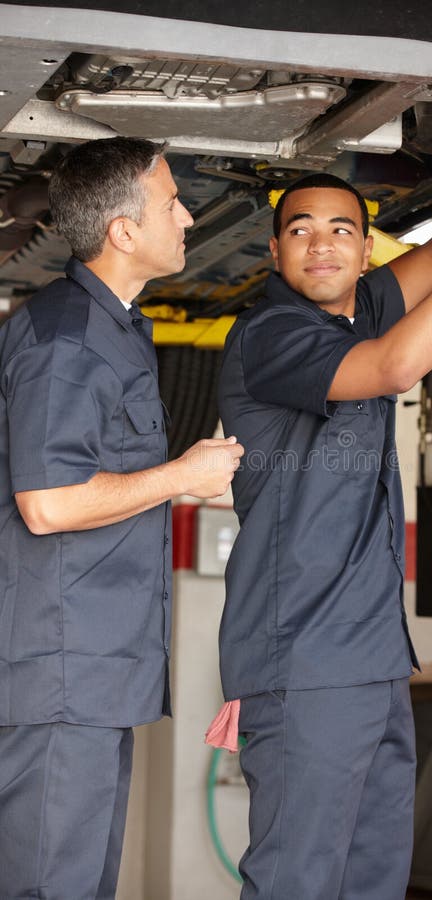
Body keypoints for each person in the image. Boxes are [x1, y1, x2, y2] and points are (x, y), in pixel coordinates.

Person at [212, 118, 432, 899]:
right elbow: (399, 363)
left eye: (342, 229)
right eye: (299, 231)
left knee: (373, 880)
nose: (322, 244)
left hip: (371, 663)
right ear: (275, 254)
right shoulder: (271, 334)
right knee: (298, 883)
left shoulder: (359, 307)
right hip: (303, 664)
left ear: (367, 250)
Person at [0, 136, 243, 900]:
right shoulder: (66, 339)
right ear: (123, 230)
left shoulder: (118, 332)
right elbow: (47, 504)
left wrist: (177, 480)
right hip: (61, 680)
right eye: (172, 200)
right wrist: (178, 476)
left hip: (95, 677)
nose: (188, 214)